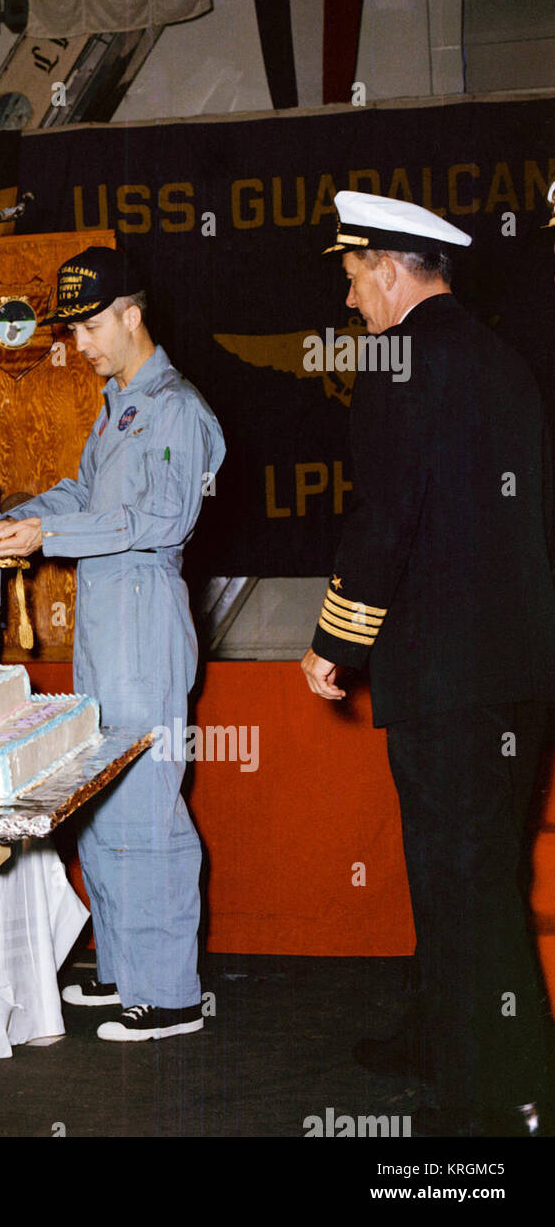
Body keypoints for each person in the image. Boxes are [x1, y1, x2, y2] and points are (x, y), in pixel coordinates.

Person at [301, 191, 555, 1137]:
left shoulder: (400, 360)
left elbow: (386, 516)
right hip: (517, 670)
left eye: (356, 276)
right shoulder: (501, 359)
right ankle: (437, 1039)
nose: (353, 298)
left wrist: (336, 639)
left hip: (448, 677)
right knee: (476, 869)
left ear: (395, 269)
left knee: (464, 881)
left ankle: (497, 1095)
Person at [0, 246, 225, 1041]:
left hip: (145, 608)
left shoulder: (176, 407)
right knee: (109, 792)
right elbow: (87, 491)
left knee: (150, 799)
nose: (78, 344)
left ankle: (172, 993)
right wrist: (23, 517)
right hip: (103, 614)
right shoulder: (120, 402)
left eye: (88, 326)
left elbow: (163, 521)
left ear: (132, 314)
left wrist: (50, 531)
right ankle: (124, 969)